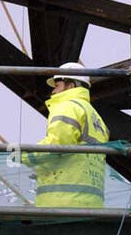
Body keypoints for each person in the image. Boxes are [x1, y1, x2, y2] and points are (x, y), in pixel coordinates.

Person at [25, 62, 109, 208]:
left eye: (57, 86)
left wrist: (23, 155)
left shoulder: (68, 106)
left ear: (70, 86)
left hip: (61, 200)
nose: (53, 92)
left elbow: (57, 145)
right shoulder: (98, 119)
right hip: (92, 201)